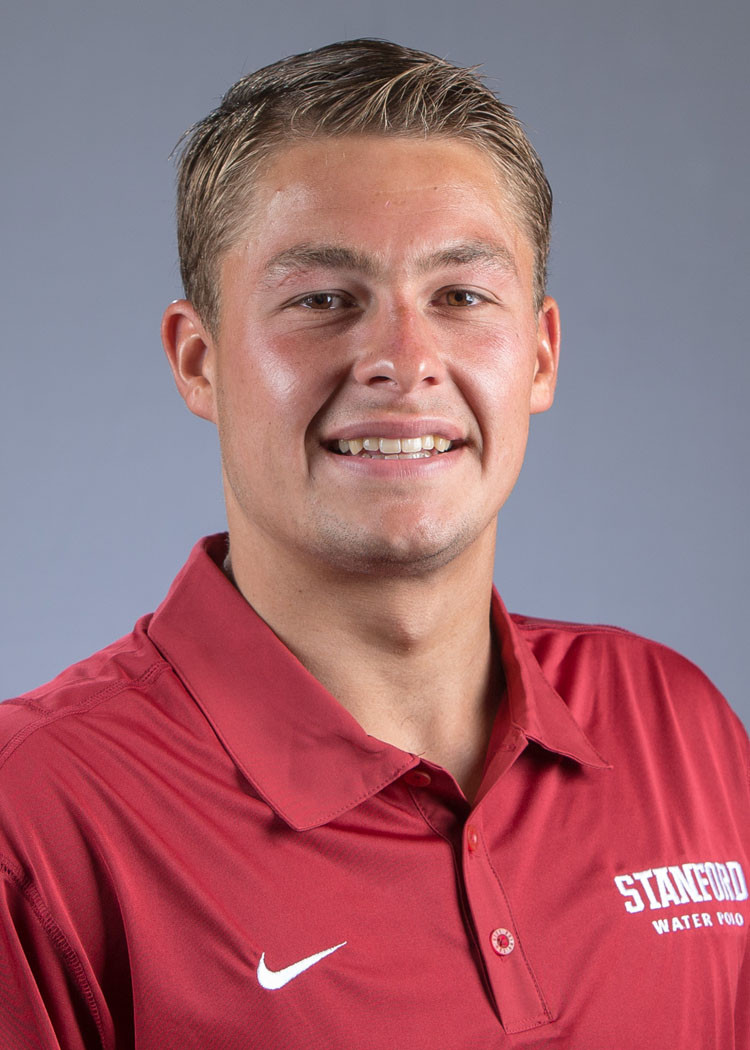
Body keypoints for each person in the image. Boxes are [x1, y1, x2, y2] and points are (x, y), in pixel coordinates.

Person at [1, 38, 747, 1050]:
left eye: (461, 296)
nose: (403, 360)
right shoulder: (36, 816)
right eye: (321, 301)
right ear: (198, 360)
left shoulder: (684, 732)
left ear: (539, 355)